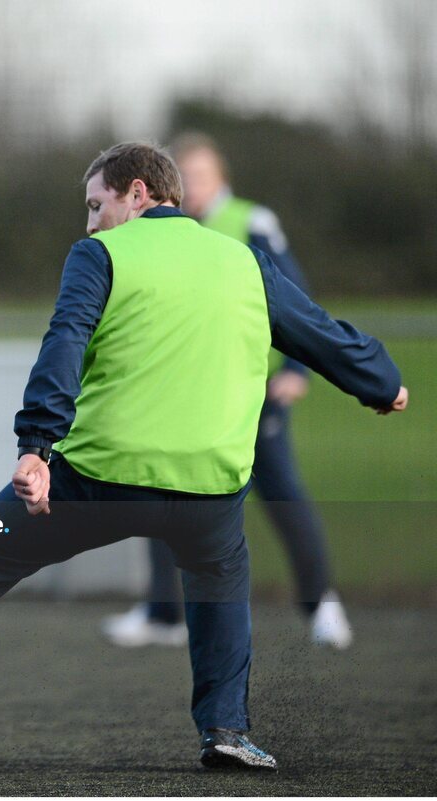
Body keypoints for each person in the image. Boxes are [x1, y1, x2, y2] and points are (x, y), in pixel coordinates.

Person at [0, 142, 408, 770]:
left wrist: (34, 447)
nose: (88, 222)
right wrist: (383, 384)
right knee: (220, 591)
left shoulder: (100, 254)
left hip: (93, 478)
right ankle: (226, 731)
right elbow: (319, 331)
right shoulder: (244, 262)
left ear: (137, 193)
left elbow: (64, 344)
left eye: (95, 204)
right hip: (208, 484)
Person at [101, 133, 353, 650]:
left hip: (250, 395)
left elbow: (295, 300)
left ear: (220, 177)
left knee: (282, 495)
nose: (190, 185)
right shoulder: (163, 230)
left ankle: (321, 604)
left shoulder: (251, 222)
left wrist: (297, 372)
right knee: (159, 492)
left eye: (198, 174)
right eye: (182, 175)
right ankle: (163, 613)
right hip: (186, 396)